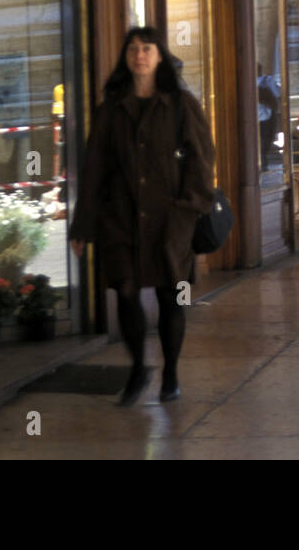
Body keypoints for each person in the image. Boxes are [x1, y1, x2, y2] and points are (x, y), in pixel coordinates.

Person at [70, 26, 216, 406]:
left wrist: (190, 207)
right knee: (127, 292)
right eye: (132, 49)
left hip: (170, 219)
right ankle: (137, 368)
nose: (139, 55)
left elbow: (202, 158)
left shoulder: (181, 104)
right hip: (120, 218)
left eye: (147, 48)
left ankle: (170, 373)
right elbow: (94, 169)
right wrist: (83, 224)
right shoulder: (111, 109)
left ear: (159, 55)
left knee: (172, 297)